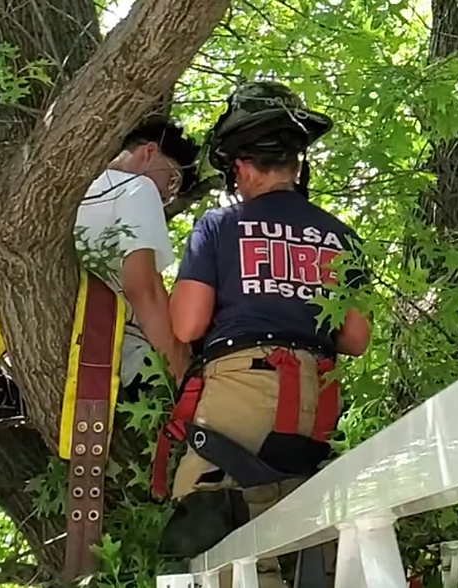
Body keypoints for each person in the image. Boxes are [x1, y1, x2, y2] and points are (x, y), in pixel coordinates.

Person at [161, 81, 371, 587]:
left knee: (215, 541)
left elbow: (186, 323)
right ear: (297, 165)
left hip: (240, 391)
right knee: (300, 538)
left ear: (240, 165)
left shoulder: (219, 225)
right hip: (312, 398)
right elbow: (355, 337)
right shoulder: (340, 235)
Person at [74, 117, 199, 396]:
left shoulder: (78, 190)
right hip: (116, 355)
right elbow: (143, 287)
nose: (168, 195)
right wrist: (177, 366)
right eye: (172, 180)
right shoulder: (137, 188)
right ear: (149, 152)